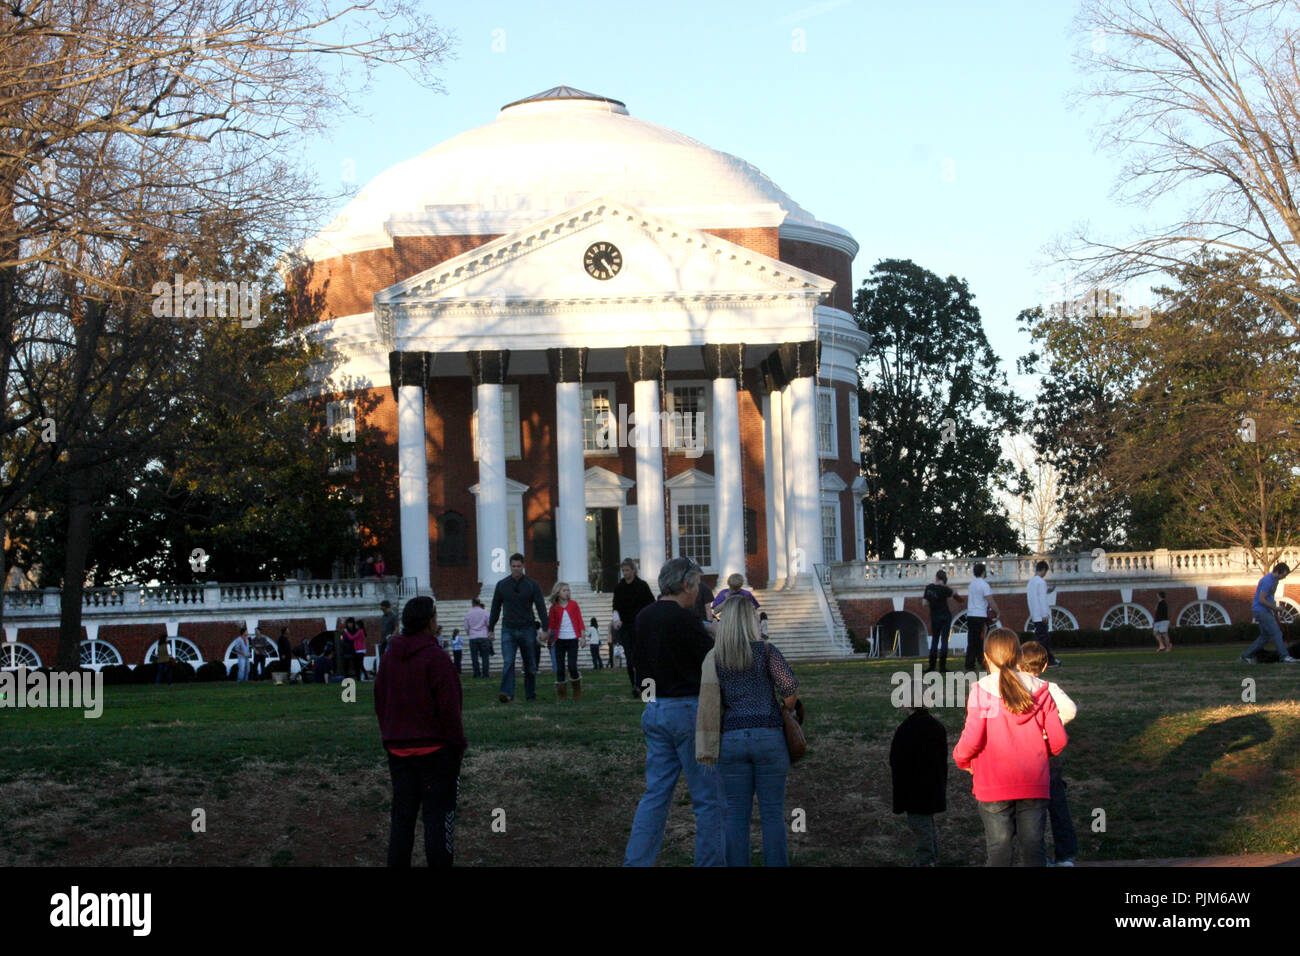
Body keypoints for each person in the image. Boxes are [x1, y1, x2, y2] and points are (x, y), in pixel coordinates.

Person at [624, 557, 725, 867]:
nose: (698, 593)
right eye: (696, 586)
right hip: (688, 712)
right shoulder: (684, 620)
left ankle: (636, 862)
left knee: (655, 797)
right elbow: (711, 663)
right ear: (685, 585)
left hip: (654, 710)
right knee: (709, 802)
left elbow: (639, 668)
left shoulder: (644, 617)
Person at [953, 628, 1067, 866]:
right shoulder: (1042, 690)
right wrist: (1040, 754)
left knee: (999, 849)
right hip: (1034, 781)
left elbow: (972, 738)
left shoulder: (981, 690)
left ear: (986, 657)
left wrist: (962, 760)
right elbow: (1059, 740)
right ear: (1018, 655)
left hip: (993, 782)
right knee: (1033, 848)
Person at [700, 594, 798, 867]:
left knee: (735, 818)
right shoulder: (766, 651)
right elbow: (789, 688)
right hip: (768, 734)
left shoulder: (716, 657)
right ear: (750, 620)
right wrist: (784, 709)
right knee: (772, 815)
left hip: (731, 737)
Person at [374, 595, 466, 868]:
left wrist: (389, 735)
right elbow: (450, 708)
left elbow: (380, 699)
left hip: (399, 749)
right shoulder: (436, 658)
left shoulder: (391, 656)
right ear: (430, 621)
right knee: (437, 820)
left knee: (402, 820)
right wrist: (457, 746)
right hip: (435, 751)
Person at [1019, 640, 1079, 866]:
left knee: (1031, 812)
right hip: (1049, 753)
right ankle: (1066, 855)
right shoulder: (1050, 687)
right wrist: (1053, 725)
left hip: (1025, 752)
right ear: (1044, 667)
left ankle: (1038, 857)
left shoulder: (1016, 689)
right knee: (1058, 806)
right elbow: (1071, 710)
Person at [889, 702, 947, 866]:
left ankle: (926, 861)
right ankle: (933, 857)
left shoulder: (906, 729)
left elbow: (895, 760)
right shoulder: (937, 726)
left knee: (920, 825)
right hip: (932, 785)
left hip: (913, 789)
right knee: (927, 822)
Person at [489, 553, 549, 703]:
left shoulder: (532, 584)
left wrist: (545, 628)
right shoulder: (502, 585)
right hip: (508, 628)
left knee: (530, 664)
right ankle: (507, 693)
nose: (516, 569)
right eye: (513, 566)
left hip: (527, 628)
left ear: (523, 566)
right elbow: (495, 608)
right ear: (510, 567)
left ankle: (530, 694)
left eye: (519, 566)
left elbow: (541, 607)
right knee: (508, 661)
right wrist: (490, 628)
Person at [612, 558, 655, 695]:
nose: (625, 573)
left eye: (627, 570)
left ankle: (646, 687)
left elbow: (650, 604)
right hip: (626, 627)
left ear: (633, 570)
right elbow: (615, 607)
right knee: (630, 658)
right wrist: (616, 620)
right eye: (623, 570)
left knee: (642, 657)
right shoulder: (619, 588)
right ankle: (635, 686)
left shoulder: (642, 586)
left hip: (640, 626)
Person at [1242, 562, 1298, 663]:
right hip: (1261, 611)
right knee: (1277, 633)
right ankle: (1284, 656)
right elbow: (1262, 599)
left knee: (1265, 636)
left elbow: (1269, 597)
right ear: (1278, 571)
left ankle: (1246, 656)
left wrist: (1275, 609)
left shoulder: (1275, 581)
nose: (1284, 578)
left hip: (1264, 610)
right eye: (1283, 575)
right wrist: (1275, 608)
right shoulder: (1267, 581)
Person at [547, 582, 585, 700]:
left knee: (572, 666)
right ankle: (561, 694)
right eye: (564, 590)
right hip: (559, 640)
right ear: (558, 593)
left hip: (573, 639)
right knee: (560, 667)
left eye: (568, 590)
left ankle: (576, 690)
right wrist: (547, 636)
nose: (567, 592)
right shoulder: (554, 608)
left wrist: (582, 637)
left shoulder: (574, 605)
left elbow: (580, 621)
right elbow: (551, 625)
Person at [923, 570, 962, 673]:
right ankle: (942, 667)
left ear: (936, 577)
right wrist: (947, 586)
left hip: (934, 617)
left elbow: (924, 603)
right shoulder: (945, 589)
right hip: (945, 616)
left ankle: (931, 666)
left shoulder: (929, 588)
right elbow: (955, 594)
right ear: (944, 579)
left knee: (934, 641)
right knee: (944, 641)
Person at [962, 563, 998, 672]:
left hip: (971, 614)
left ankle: (970, 663)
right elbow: (990, 600)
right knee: (981, 640)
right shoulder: (984, 585)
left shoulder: (971, 585)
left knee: (972, 640)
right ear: (983, 572)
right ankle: (981, 661)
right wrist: (997, 611)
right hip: (980, 615)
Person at [1026, 560, 1061, 667]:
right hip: (1041, 615)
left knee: (1041, 639)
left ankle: (1047, 659)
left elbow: (1035, 597)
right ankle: (1047, 660)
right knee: (1043, 640)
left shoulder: (1031, 582)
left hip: (1035, 614)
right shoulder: (1041, 582)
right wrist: (1045, 614)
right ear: (1044, 570)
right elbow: (1042, 599)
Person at [465, 597, 491, 679]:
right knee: (485, 656)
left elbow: (466, 626)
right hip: (483, 635)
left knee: (474, 657)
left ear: (472, 603)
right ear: (479, 603)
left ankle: (476, 673)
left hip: (473, 636)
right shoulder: (485, 612)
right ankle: (485, 673)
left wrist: (469, 633)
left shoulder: (468, 613)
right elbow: (489, 623)